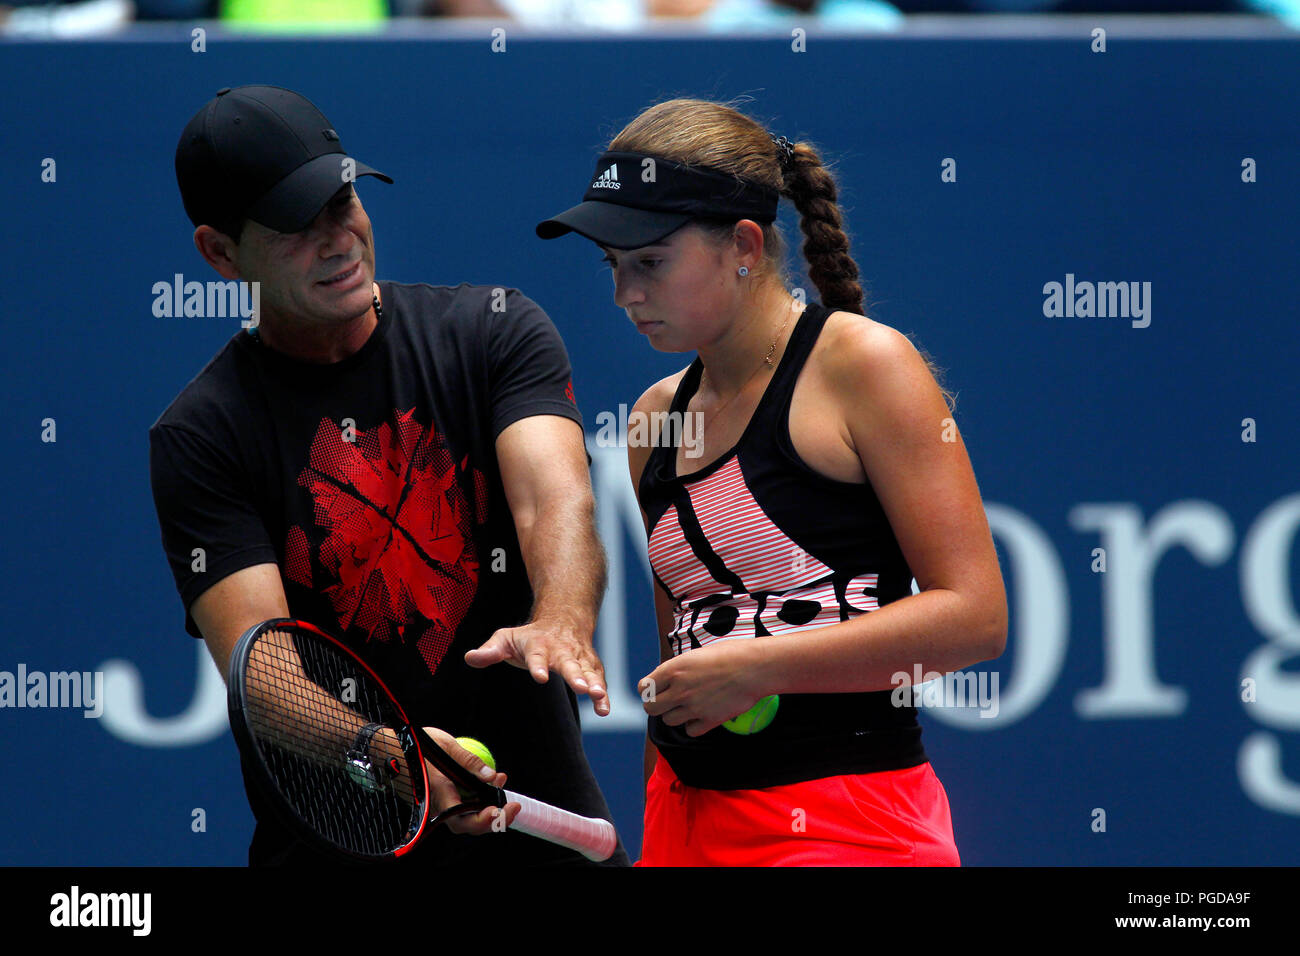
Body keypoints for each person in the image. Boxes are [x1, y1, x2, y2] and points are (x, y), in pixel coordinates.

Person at [150, 85, 629, 867]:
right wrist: (395, 758)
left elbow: (557, 500)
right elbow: (262, 670)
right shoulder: (199, 435)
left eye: (340, 204)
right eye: (295, 226)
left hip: (549, 836)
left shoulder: (495, 331)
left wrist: (563, 618)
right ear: (219, 253)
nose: (336, 239)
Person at [536, 97, 1007, 865]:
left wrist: (760, 665)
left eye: (650, 262)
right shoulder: (655, 419)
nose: (626, 294)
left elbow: (976, 618)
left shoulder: (866, 364)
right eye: (614, 267)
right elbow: (680, 669)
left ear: (744, 245)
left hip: (850, 825)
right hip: (684, 822)